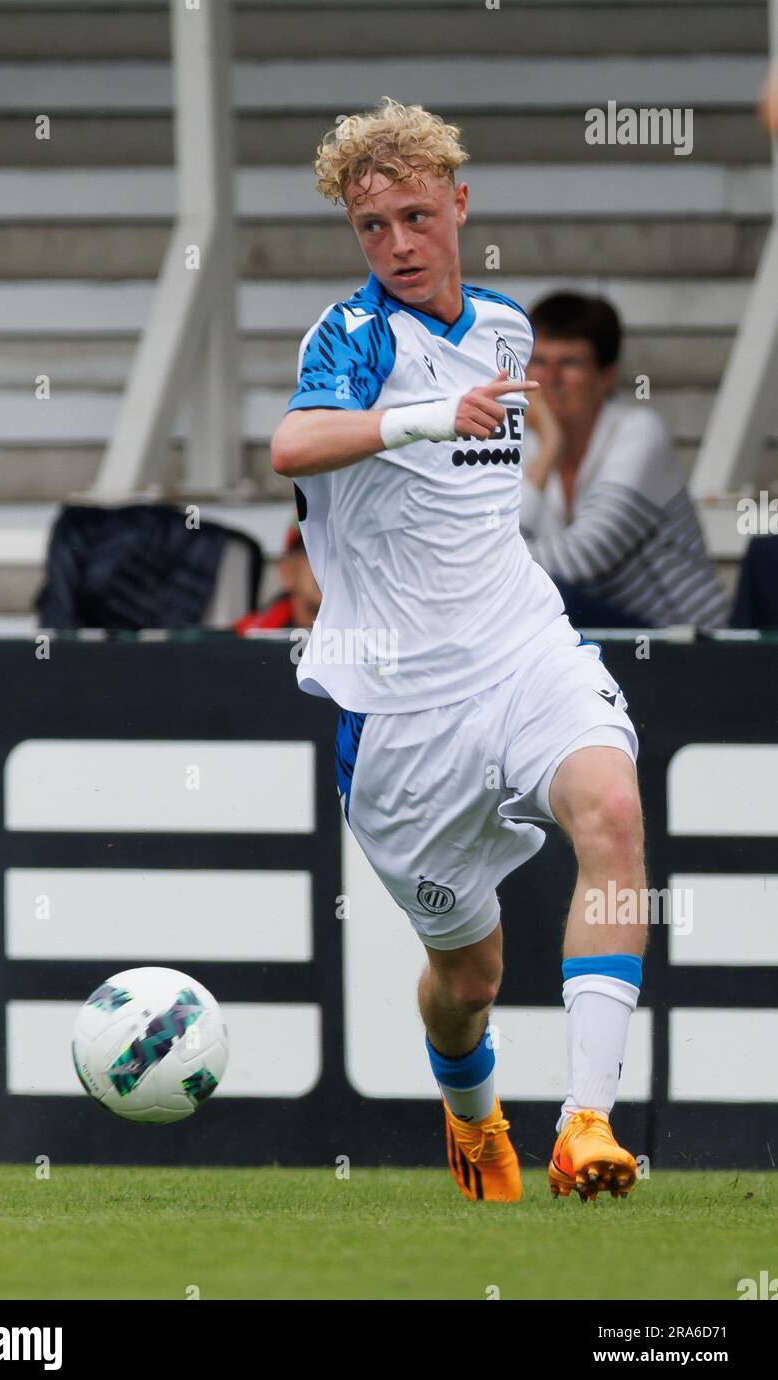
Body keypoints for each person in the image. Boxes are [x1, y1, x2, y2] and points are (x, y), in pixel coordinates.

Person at [271, 97, 647, 1203]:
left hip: (524, 650)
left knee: (614, 815)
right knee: (467, 976)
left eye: (414, 216)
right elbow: (291, 442)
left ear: (460, 206)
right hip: (401, 712)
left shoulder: (506, 329)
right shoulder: (349, 338)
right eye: (371, 226)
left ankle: (587, 1121)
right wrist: (426, 420)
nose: (396, 244)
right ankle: (474, 1114)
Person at [521, 292, 729, 629]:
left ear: (606, 376)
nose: (550, 378)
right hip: (605, 641)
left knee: (547, 597)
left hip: (688, 645)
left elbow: (584, 557)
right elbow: (503, 540)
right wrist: (548, 451)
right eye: (539, 362)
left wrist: (500, 564)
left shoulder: (639, 434)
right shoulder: (531, 447)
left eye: (570, 362)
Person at [233, 519, 321, 635]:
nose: (330, 565)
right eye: (316, 550)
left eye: (340, 552)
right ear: (287, 571)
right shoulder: (246, 639)